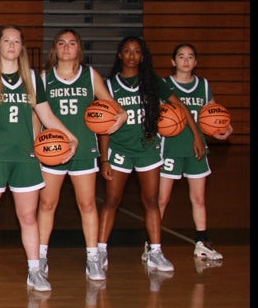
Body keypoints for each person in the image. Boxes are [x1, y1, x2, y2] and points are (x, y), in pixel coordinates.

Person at [0, 25, 78, 293]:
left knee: (28, 217)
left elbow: (47, 115)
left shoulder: (31, 78)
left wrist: (69, 136)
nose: (12, 45)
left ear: (21, 47)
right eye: (7, 40)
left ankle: (34, 271)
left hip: (26, 158)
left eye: (17, 40)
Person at [96, 36, 205, 273]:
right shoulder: (110, 85)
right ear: (120, 56)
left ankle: (155, 251)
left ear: (143, 56)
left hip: (147, 149)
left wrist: (196, 135)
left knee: (152, 202)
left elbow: (181, 107)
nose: (132, 56)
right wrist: (104, 158)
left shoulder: (153, 82)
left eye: (137, 51)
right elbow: (103, 125)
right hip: (120, 150)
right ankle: (100, 252)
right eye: (127, 51)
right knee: (112, 201)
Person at [37, 29, 127, 282]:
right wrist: (35, 143)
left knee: (87, 205)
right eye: (62, 43)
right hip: (53, 150)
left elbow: (114, 107)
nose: (67, 47)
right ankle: (41, 256)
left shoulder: (90, 76)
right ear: (55, 48)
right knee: (47, 204)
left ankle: (93, 257)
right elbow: (37, 114)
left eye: (72, 43)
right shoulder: (44, 78)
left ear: (79, 49)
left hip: (85, 148)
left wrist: (117, 120)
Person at [157, 43, 231, 261]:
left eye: (190, 57)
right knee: (162, 200)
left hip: (196, 149)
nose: (186, 61)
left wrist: (223, 128)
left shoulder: (204, 86)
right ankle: (152, 246)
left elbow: (213, 112)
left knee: (198, 198)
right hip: (170, 148)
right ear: (173, 61)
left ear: (196, 62)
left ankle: (202, 242)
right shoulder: (164, 85)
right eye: (181, 56)